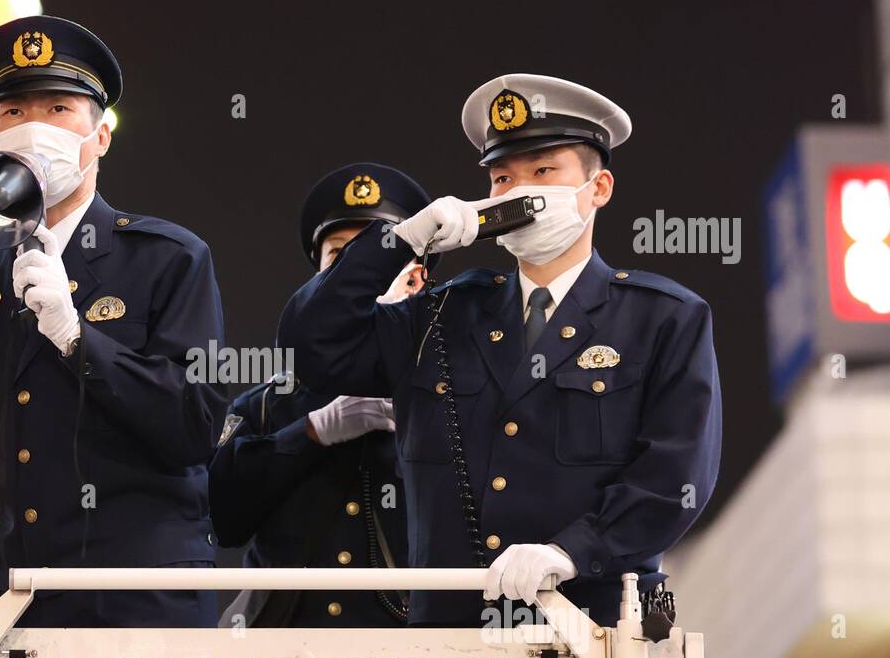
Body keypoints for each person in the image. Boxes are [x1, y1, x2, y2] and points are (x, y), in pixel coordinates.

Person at [277, 74, 722, 627]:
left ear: (599, 188)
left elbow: (676, 477)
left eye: (543, 171)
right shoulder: (442, 313)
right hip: (449, 650)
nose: (518, 192)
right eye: (502, 178)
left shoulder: (664, 318)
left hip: (594, 639)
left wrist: (572, 551)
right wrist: (399, 242)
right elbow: (309, 344)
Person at [0, 15, 227, 630]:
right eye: (12, 111)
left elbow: (194, 426)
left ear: (101, 137)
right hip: (15, 625)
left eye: (59, 108)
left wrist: (78, 340)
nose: (34, 127)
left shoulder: (168, 258)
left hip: (148, 620)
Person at [212, 164, 431, 628]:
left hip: (407, 656)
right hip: (281, 654)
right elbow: (224, 518)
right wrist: (307, 433)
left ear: (416, 278)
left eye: (373, 254)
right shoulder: (266, 404)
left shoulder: (444, 395)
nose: (356, 269)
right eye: (338, 257)